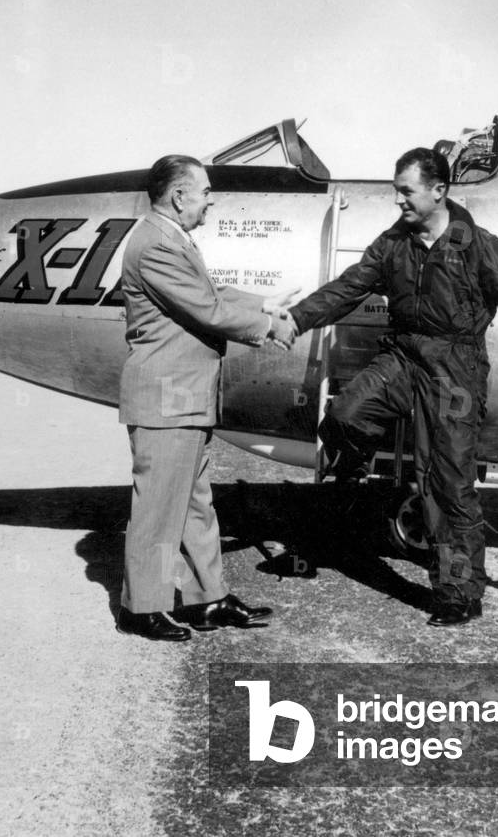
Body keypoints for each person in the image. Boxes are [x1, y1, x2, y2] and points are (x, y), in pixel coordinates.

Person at [286, 146, 498, 627]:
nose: (398, 200)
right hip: (402, 356)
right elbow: (348, 288)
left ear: (439, 191)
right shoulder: (393, 243)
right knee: (344, 415)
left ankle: (458, 593)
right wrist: (295, 319)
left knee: (448, 483)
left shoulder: (480, 245)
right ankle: (351, 484)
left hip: (455, 367)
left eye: (406, 191)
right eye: (396, 191)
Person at [116, 154, 296, 642]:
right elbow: (208, 309)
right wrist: (268, 327)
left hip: (184, 397)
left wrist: (262, 302)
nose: (210, 201)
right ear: (179, 196)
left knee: (195, 505)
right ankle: (142, 607)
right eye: (205, 192)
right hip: (166, 397)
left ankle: (207, 600)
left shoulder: (171, 238)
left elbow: (210, 291)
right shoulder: (155, 244)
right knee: (157, 509)